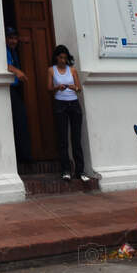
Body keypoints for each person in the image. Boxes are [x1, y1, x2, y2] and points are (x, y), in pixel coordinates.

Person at [50, 43, 89, 181]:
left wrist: (74, 87)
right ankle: (66, 170)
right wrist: (57, 88)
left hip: (73, 103)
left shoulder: (72, 70)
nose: (63, 60)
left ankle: (80, 171)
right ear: (56, 58)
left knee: (76, 138)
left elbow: (79, 89)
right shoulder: (51, 70)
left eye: (65, 58)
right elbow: (49, 88)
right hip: (60, 103)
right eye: (60, 58)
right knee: (63, 139)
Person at [5, 26, 31, 168]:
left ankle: (24, 155)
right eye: (10, 38)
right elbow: (4, 64)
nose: (13, 41)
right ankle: (22, 157)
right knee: (18, 120)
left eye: (15, 38)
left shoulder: (14, 51)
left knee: (21, 119)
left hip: (16, 89)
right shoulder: (4, 51)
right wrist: (17, 71)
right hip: (9, 89)